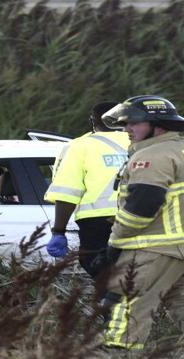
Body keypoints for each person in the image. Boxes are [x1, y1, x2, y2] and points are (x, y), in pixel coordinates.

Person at [97, 95, 184, 350]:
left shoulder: (150, 157)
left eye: (133, 123)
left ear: (157, 125)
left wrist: (115, 242)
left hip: (159, 247)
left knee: (128, 303)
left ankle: (117, 356)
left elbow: (141, 209)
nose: (127, 129)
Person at [44, 101, 131, 277]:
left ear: (93, 121)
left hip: (98, 223)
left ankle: (115, 303)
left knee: (103, 273)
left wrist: (58, 231)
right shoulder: (144, 143)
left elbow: (67, 191)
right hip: (141, 216)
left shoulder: (79, 146)